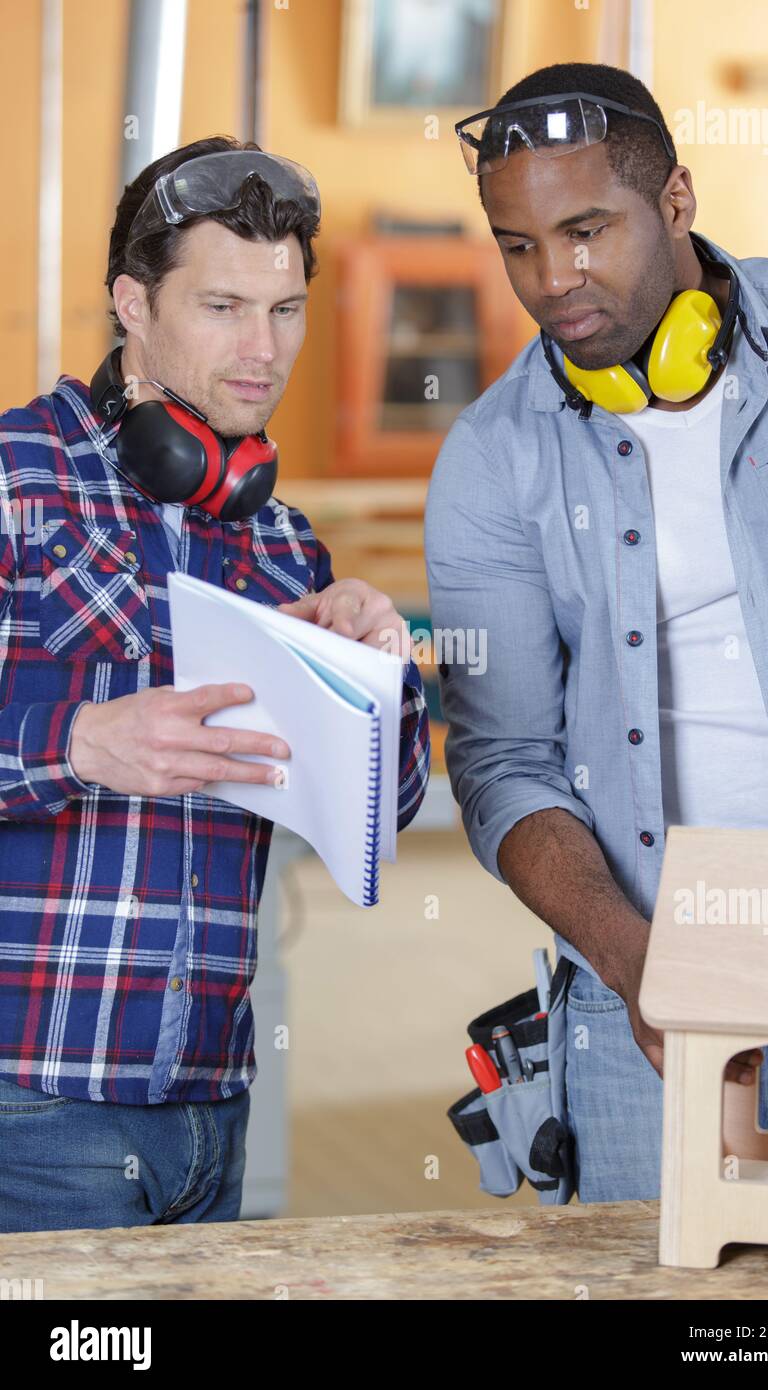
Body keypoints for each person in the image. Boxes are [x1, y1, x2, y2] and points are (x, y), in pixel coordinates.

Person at [425, 61, 768, 1203]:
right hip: (652, 997)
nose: (551, 280)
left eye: (584, 230)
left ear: (674, 200)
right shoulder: (492, 452)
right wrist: (634, 962)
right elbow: (502, 759)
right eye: (516, 244)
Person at [0, 135, 430, 1233]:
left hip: (212, 1112)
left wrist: (381, 674)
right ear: (132, 304)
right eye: (224, 307)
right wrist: (75, 743)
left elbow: (383, 812)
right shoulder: (16, 477)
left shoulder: (282, 539)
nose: (264, 348)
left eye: (284, 311)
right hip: (32, 1109)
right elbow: (69, 744)